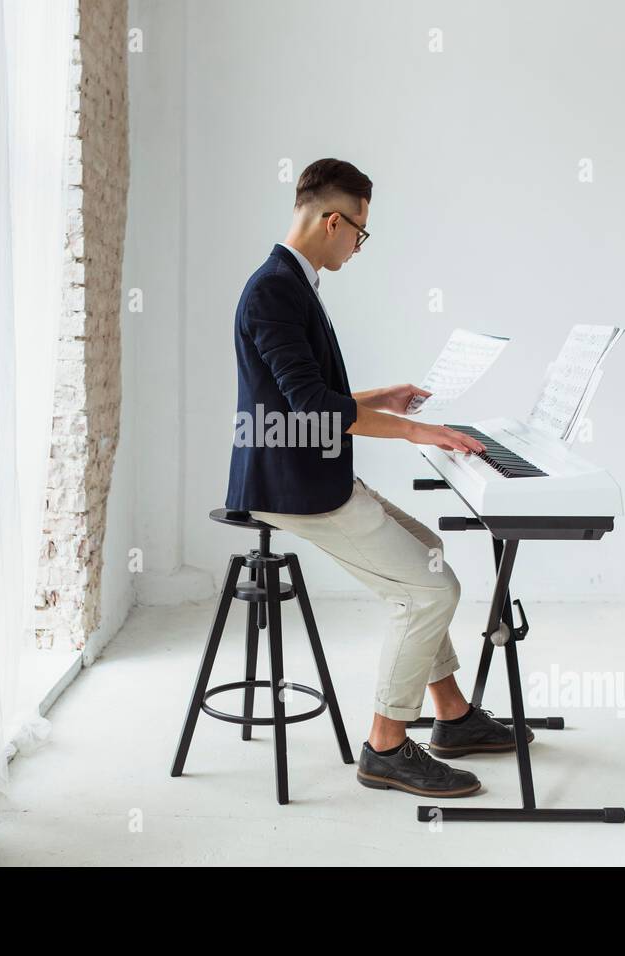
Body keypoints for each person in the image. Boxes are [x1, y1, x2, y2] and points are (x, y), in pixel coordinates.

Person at [224, 158, 533, 798]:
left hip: (308, 471)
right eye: (360, 232)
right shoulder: (275, 289)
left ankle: (450, 715)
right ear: (333, 220)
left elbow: (301, 396)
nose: (359, 245)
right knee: (428, 591)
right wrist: (420, 431)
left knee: (426, 556)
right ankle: (385, 749)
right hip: (292, 486)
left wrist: (380, 397)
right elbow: (310, 409)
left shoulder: (289, 282)